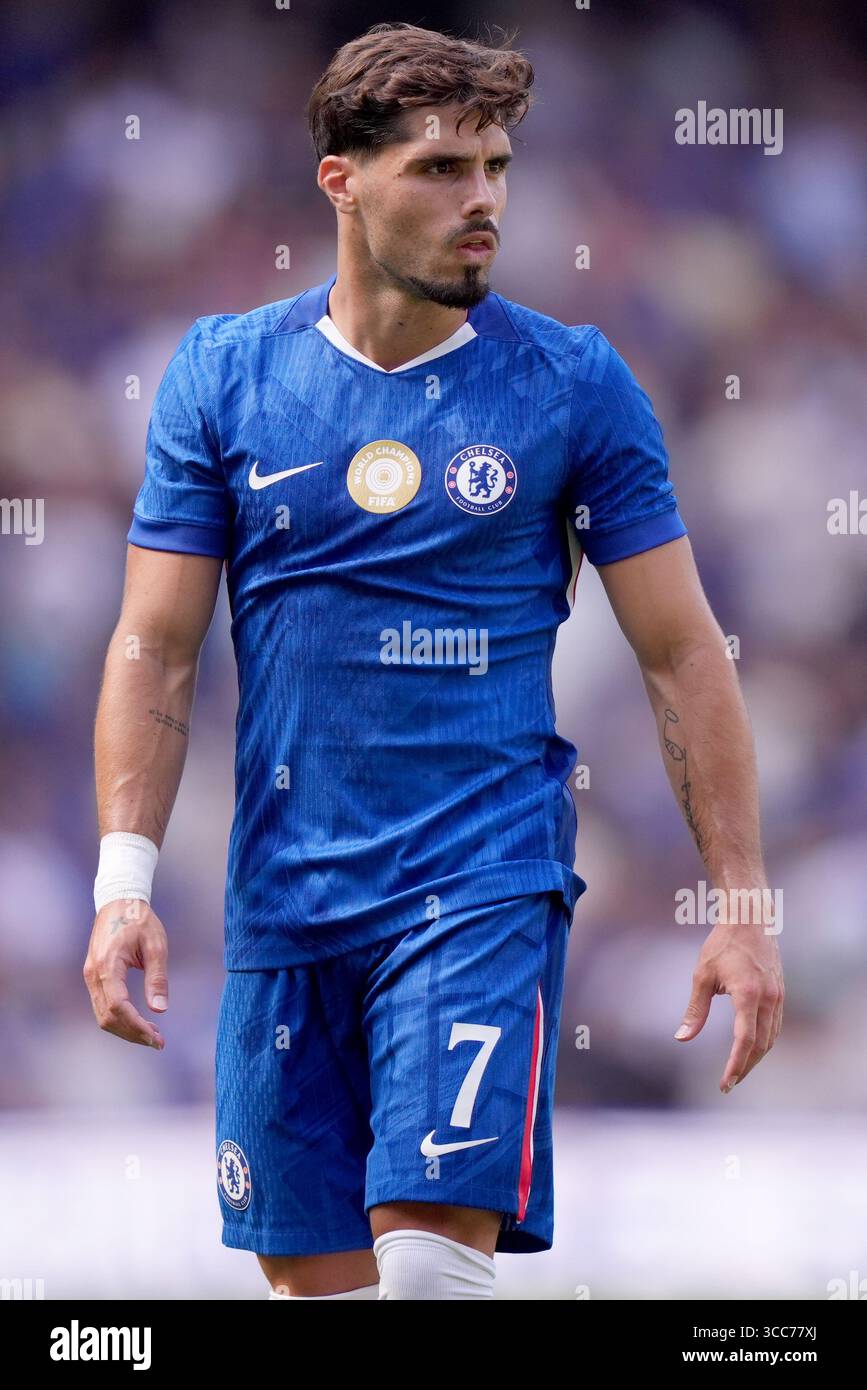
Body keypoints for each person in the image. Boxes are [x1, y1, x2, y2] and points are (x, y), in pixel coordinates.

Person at [84, 21, 784, 1301]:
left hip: (479, 883)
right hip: (287, 901)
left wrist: (740, 901)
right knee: (322, 1289)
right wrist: (122, 883)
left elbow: (683, 651)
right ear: (342, 180)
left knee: (423, 1268)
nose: (483, 204)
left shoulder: (573, 383)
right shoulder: (223, 375)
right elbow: (155, 645)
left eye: (497, 169)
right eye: (442, 169)